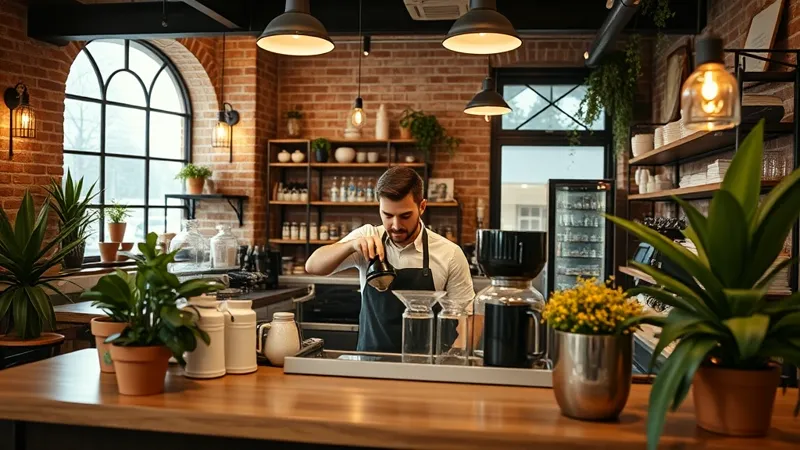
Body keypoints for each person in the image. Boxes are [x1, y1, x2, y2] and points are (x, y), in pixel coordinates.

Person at [305, 167, 474, 353]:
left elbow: (467, 316)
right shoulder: (367, 237)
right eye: (387, 215)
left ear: (422, 207)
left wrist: (453, 359)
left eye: (405, 216)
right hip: (371, 366)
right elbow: (313, 266)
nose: (395, 225)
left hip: (425, 369)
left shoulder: (449, 253)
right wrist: (351, 245)